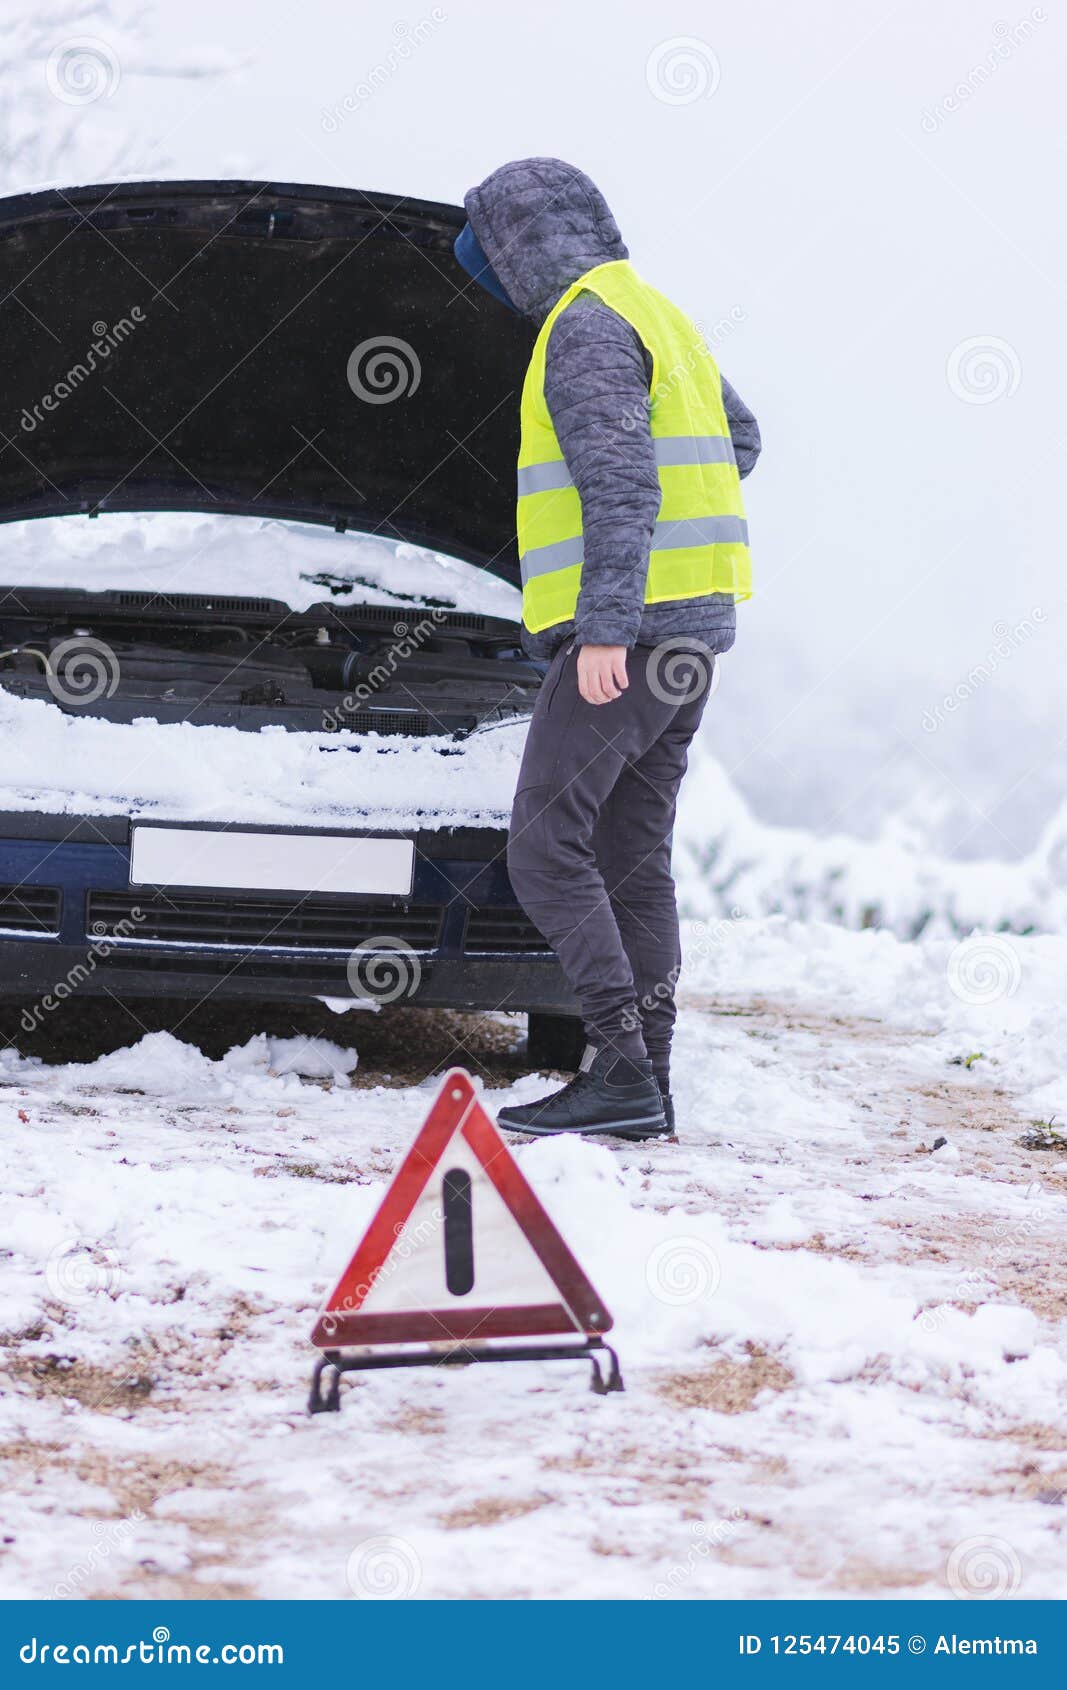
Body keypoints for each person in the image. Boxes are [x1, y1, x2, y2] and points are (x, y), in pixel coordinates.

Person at [453, 158, 761, 1140]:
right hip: (693, 633)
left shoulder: (581, 327)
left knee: (544, 845)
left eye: (489, 263)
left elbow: (622, 482)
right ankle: (646, 1077)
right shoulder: (653, 310)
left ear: (522, 251)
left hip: (633, 636)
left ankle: (619, 1066)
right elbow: (738, 438)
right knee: (630, 854)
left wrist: (604, 625)